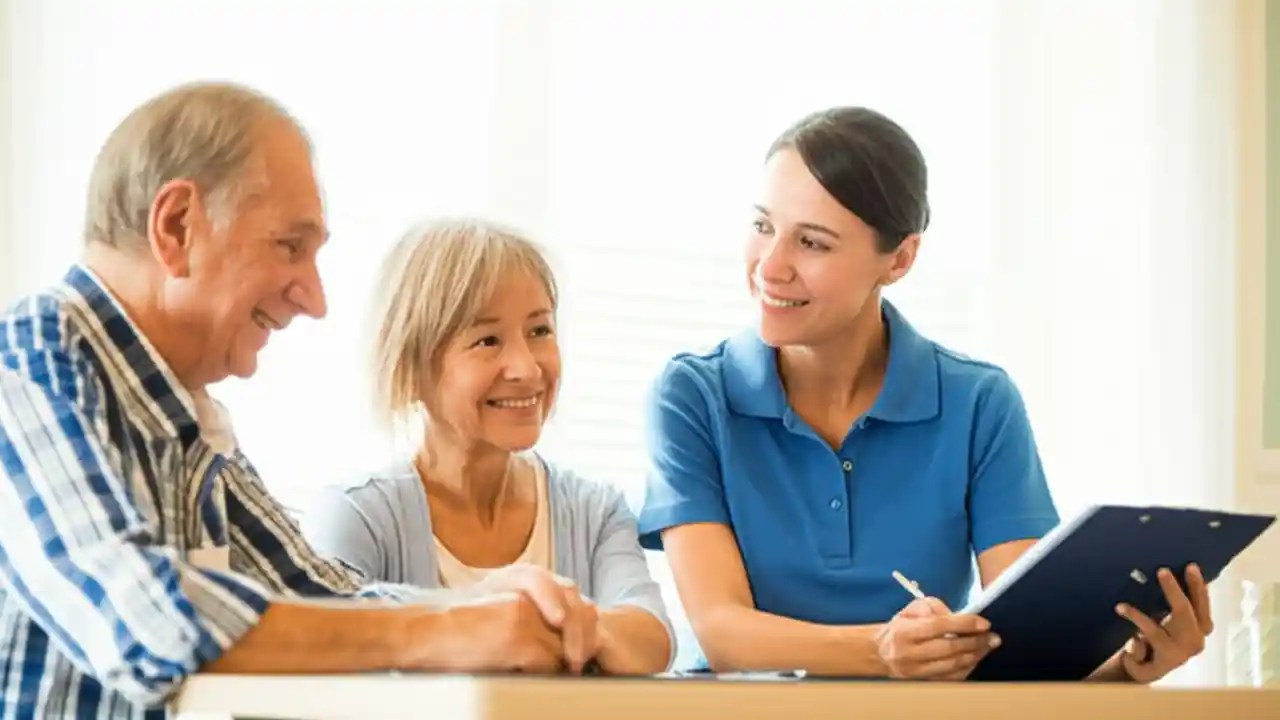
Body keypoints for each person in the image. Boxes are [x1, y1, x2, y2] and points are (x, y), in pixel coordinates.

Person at [0, 83, 593, 719]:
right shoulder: (29, 358)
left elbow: (317, 594)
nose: (314, 299)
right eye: (290, 246)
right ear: (176, 226)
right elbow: (144, 619)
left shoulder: (188, 419)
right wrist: (444, 632)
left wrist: (480, 605)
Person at [636, 106, 1214, 681]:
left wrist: (1131, 666)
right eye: (764, 226)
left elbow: (1031, 644)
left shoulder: (978, 403)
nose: (771, 267)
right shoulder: (693, 395)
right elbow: (723, 632)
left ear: (900, 259)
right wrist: (882, 650)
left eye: (812, 243)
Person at [302, 218, 674, 675]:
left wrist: (580, 624)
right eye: (487, 341)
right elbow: (315, 645)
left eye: (540, 331)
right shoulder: (359, 515)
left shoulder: (594, 510)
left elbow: (652, 637)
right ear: (412, 367)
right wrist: (478, 616)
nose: (526, 368)